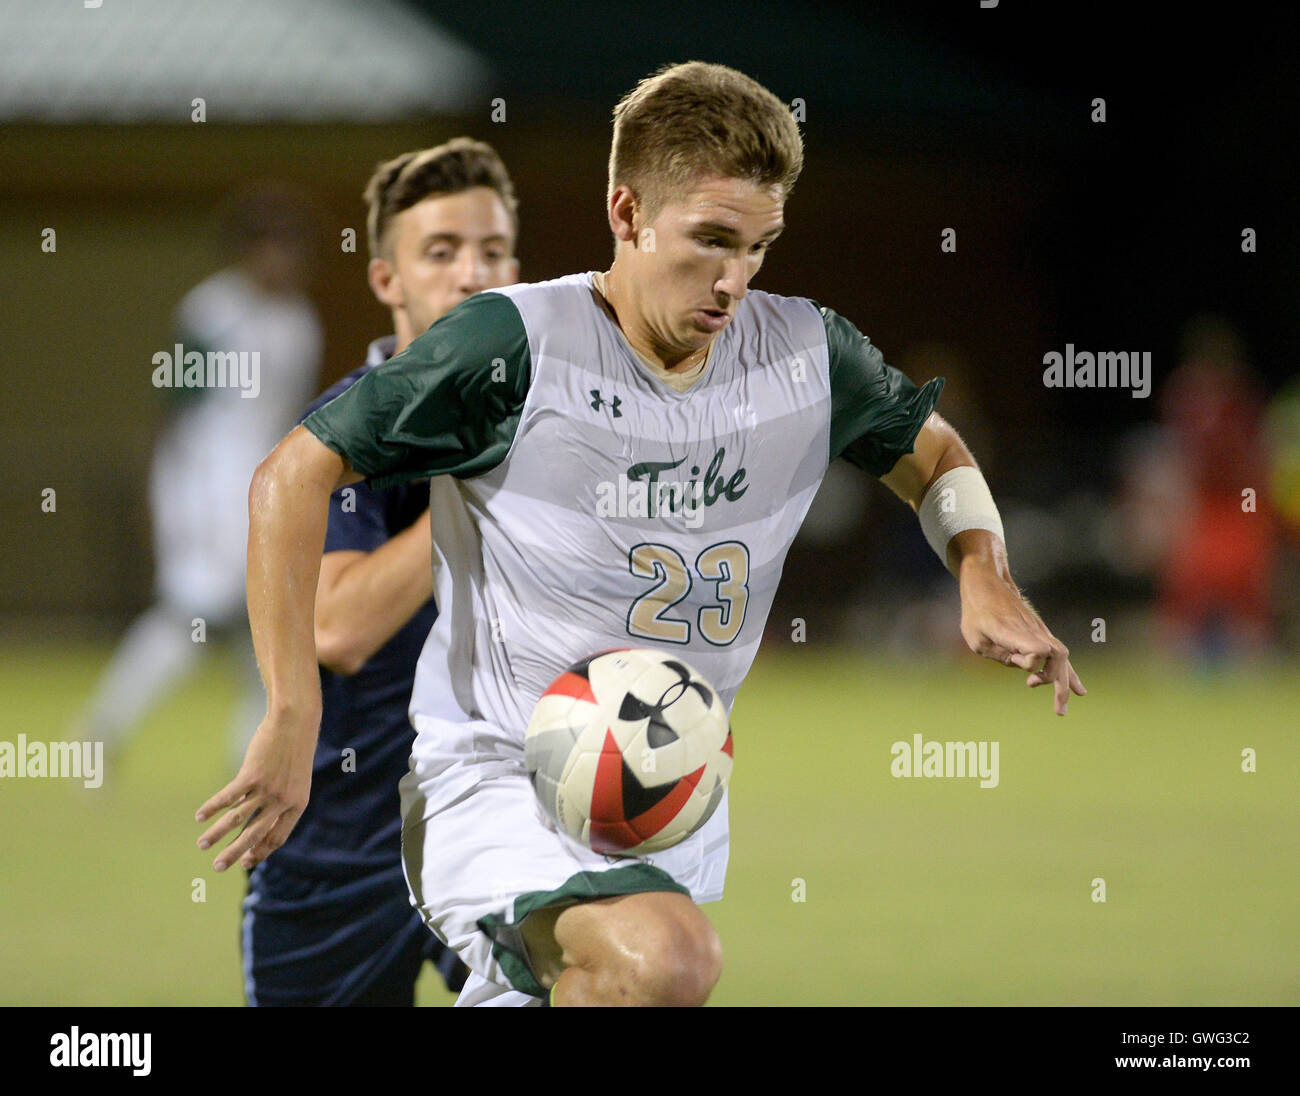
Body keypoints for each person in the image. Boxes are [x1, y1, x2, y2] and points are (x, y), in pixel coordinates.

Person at [198, 62, 1085, 1007]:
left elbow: (933, 452)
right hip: (503, 780)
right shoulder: (514, 345)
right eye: (709, 240)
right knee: (667, 962)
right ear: (627, 214)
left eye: (758, 247)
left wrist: (981, 571)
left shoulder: (805, 355)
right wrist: (294, 714)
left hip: (667, 788)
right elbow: (292, 473)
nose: (734, 280)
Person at [240, 139, 521, 1005]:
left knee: (613, 974)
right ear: (386, 281)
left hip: (500, 823)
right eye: (440, 253)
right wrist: (469, 482)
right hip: (342, 842)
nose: (472, 274)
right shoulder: (336, 434)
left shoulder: (557, 419)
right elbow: (341, 626)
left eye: (493, 251)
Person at [78, 185, 321, 770]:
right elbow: (171, 411)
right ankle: (103, 727)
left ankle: (251, 755)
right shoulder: (212, 313)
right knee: (198, 614)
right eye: (271, 244)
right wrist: (156, 495)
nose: (283, 259)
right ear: (246, 249)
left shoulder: (298, 321)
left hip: (264, 488)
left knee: (261, 621)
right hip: (204, 488)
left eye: (292, 246)